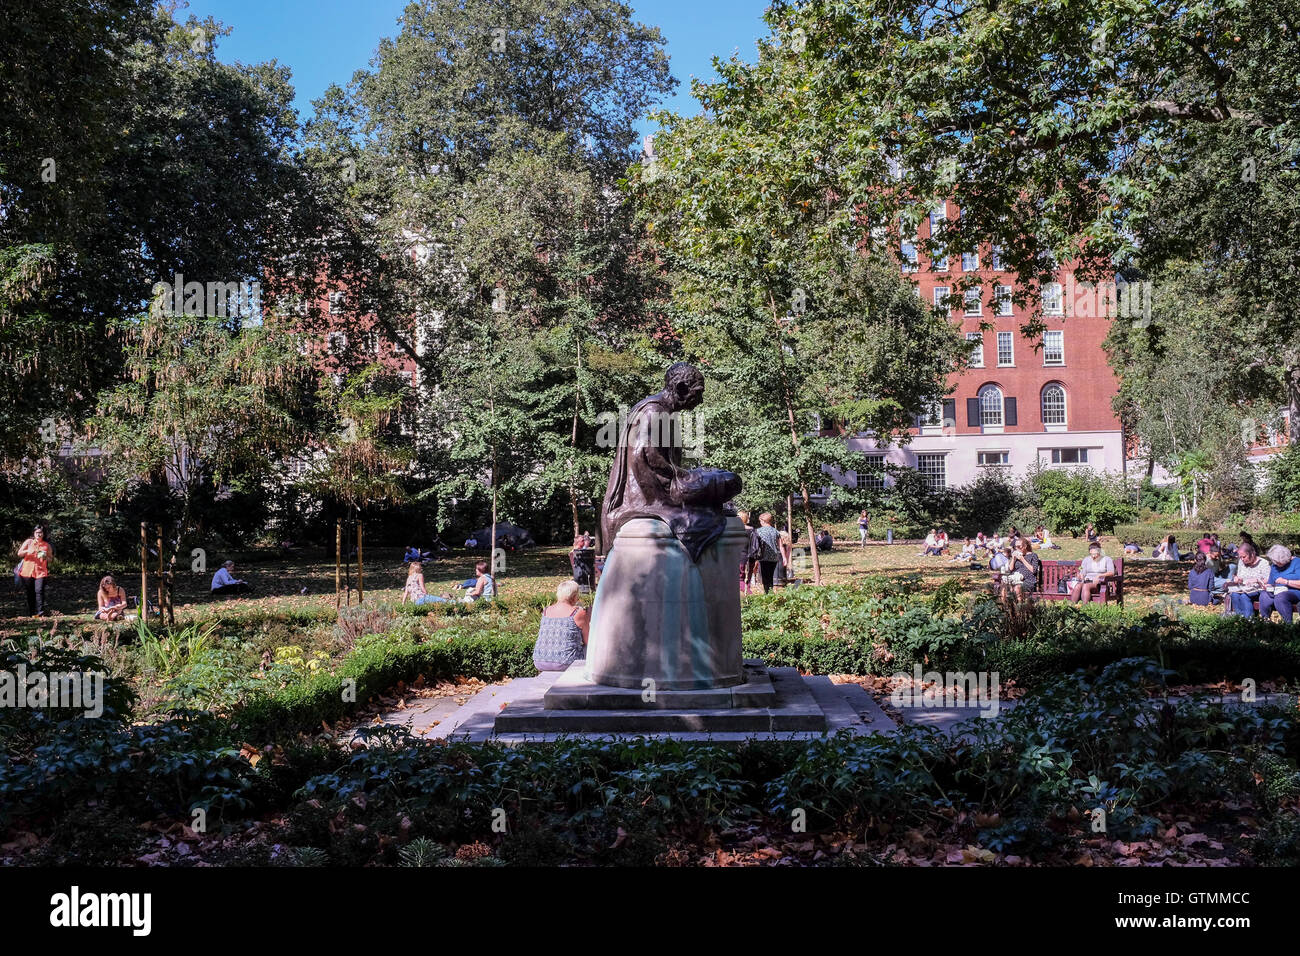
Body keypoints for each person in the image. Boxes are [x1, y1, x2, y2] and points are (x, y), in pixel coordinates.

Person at [533, 580, 590, 671]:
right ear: (574, 596)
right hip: (566, 662)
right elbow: (588, 640)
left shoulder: (546, 611)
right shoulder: (578, 612)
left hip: (539, 661)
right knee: (593, 648)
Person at [16, 525, 54, 617]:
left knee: (39, 591)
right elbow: (19, 553)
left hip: (40, 572)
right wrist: (28, 551)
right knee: (30, 592)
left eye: (40, 533)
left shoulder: (47, 545)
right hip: (27, 571)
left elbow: (51, 559)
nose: (39, 534)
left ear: (43, 534)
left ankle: (40, 612)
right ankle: (32, 612)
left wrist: (45, 557)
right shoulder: (29, 542)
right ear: (34, 533)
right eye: (37, 532)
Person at [1228, 542, 1271, 617]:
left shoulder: (1263, 563)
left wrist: (1256, 580)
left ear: (1252, 554)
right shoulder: (1241, 562)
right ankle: (1240, 618)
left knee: (1244, 596)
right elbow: (1240, 577)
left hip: (1257, 589)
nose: (1242, 559)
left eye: (1244, 557)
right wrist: (1237, 579)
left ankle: (1249, 620)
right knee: (1234, 595)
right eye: (1240, 557)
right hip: (1243, 588)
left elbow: (1269, 579)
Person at [1260, 545, 1300, 623]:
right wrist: (1267, 587)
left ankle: (1288, 625)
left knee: (1281, 597)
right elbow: (1270, 583)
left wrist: (1286, 582)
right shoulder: (1274, 566)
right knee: (1264, 595)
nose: (1275, 563)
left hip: (1294, 591)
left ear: (1284, 558)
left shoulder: (1297, 562)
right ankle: (1265, 622)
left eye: (1277, 562)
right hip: (1277, 591)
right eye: (1274, 561)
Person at [754, 513, 783, 594]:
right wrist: (784, 558)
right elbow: (780, 546)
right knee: (770, 576)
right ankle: (770, 592)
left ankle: (768, 593)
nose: (760, 522)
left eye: (760, 521)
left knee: (764, 576)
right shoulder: (776, 531)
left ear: (763, 521)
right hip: (774, 557)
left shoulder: (758, 531)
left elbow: (755, 545)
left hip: (763, 556)